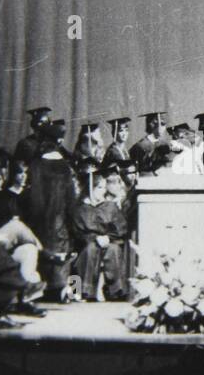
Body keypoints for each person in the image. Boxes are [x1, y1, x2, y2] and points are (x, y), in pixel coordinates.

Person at [21, 119, 77, 298]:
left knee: (44, 246)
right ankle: (60, 288)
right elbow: (70, 197)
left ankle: (42, 288)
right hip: (60, 217)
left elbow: (33, 195)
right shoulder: (64, 167)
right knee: (60, 246)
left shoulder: (36, 164)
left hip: (40, 217)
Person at [70, 158, 129, 301]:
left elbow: (121, 228)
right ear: (91, 188)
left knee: (114, 250)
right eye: (100, 188)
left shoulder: (110, 206)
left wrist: (109, 238)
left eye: (104, 188)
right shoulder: (81, 209)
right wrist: (94, 239)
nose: (103, 192)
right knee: (91, 249)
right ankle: (85, 290)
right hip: (87, 244)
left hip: (108, 241)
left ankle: (116, 290)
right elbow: (77, 232)